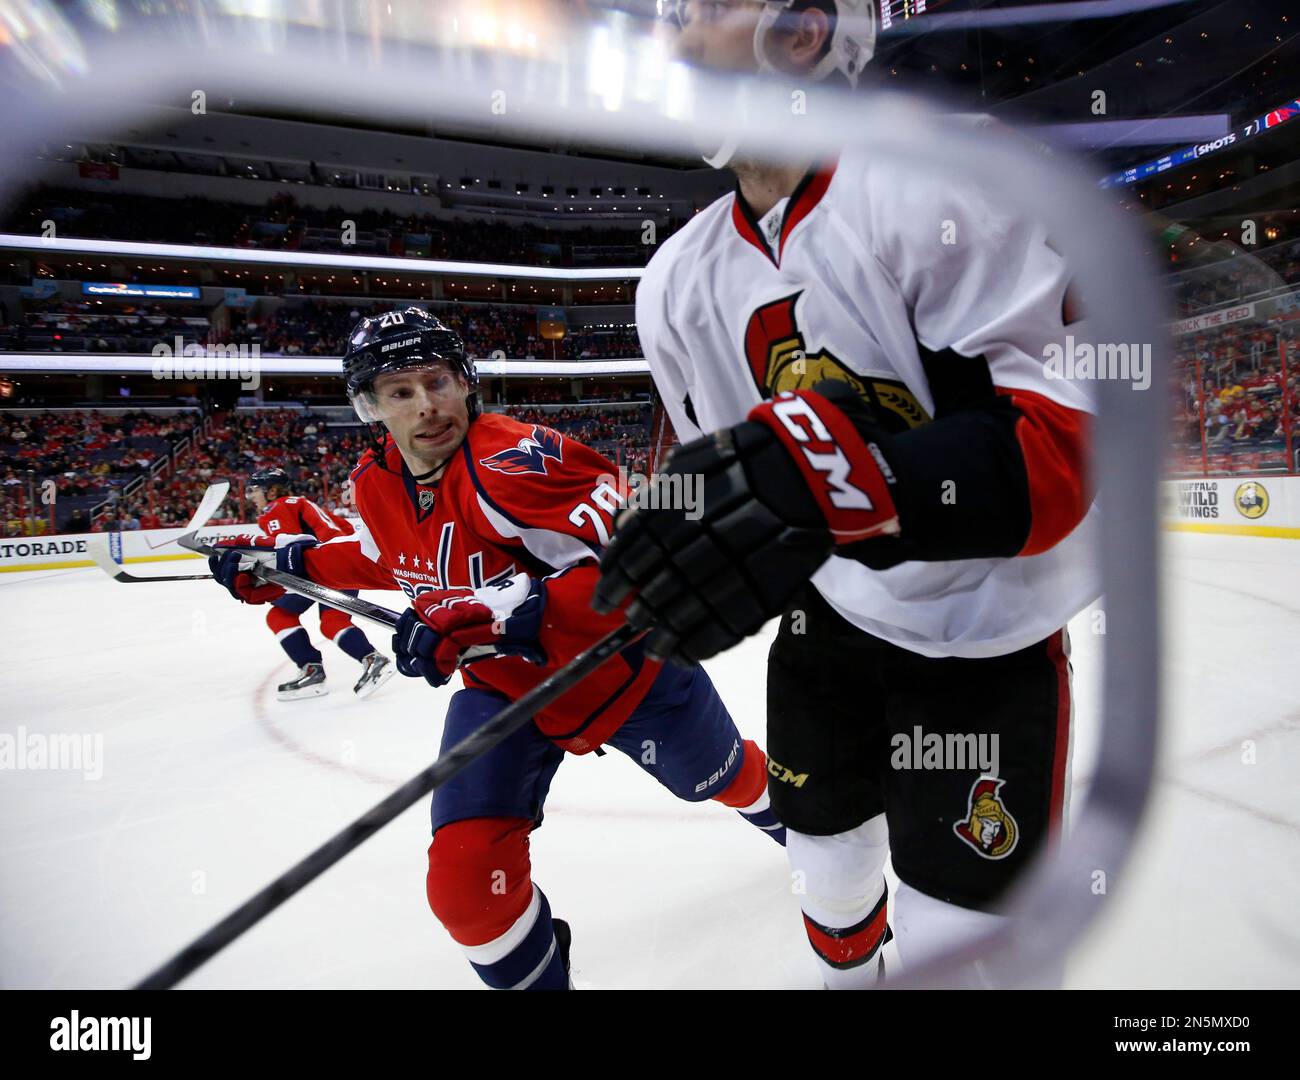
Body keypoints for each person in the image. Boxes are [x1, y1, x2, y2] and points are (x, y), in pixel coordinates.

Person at [594, 0, 1098, 988]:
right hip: (824, 624)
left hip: (978, 636)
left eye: (707, 7)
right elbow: (728, 478)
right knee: (822, 864)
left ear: (808, 26)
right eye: (672, 14)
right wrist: (686, 536)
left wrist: (824, 475)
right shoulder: (672, 281)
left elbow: (1065, 448)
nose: (679, 36)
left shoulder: (949, 177)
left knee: (954, 935)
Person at [210, 308, 784, 990]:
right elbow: (381, 557)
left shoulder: (513, 458)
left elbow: (644, 556)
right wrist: (285, 560)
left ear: (466, 384)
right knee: (464, 886)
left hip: (627, 683)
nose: (427, 406)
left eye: (439, 381)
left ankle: (817, 838)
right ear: (370, 406)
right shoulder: (376, 481)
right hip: (504, 692)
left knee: (724, 782)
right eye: (401, 391)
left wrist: (507, 610)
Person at [234, 466, 394, 701]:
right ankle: (373, 660)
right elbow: (338, 530)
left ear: (271, 491)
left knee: (279, 616)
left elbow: (286, 546)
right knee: (332, 622)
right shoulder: (294, 505)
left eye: (255, 490)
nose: (251, 496)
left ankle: (313, 671)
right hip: (341, 564)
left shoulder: (279, 507)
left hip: (325, 567)